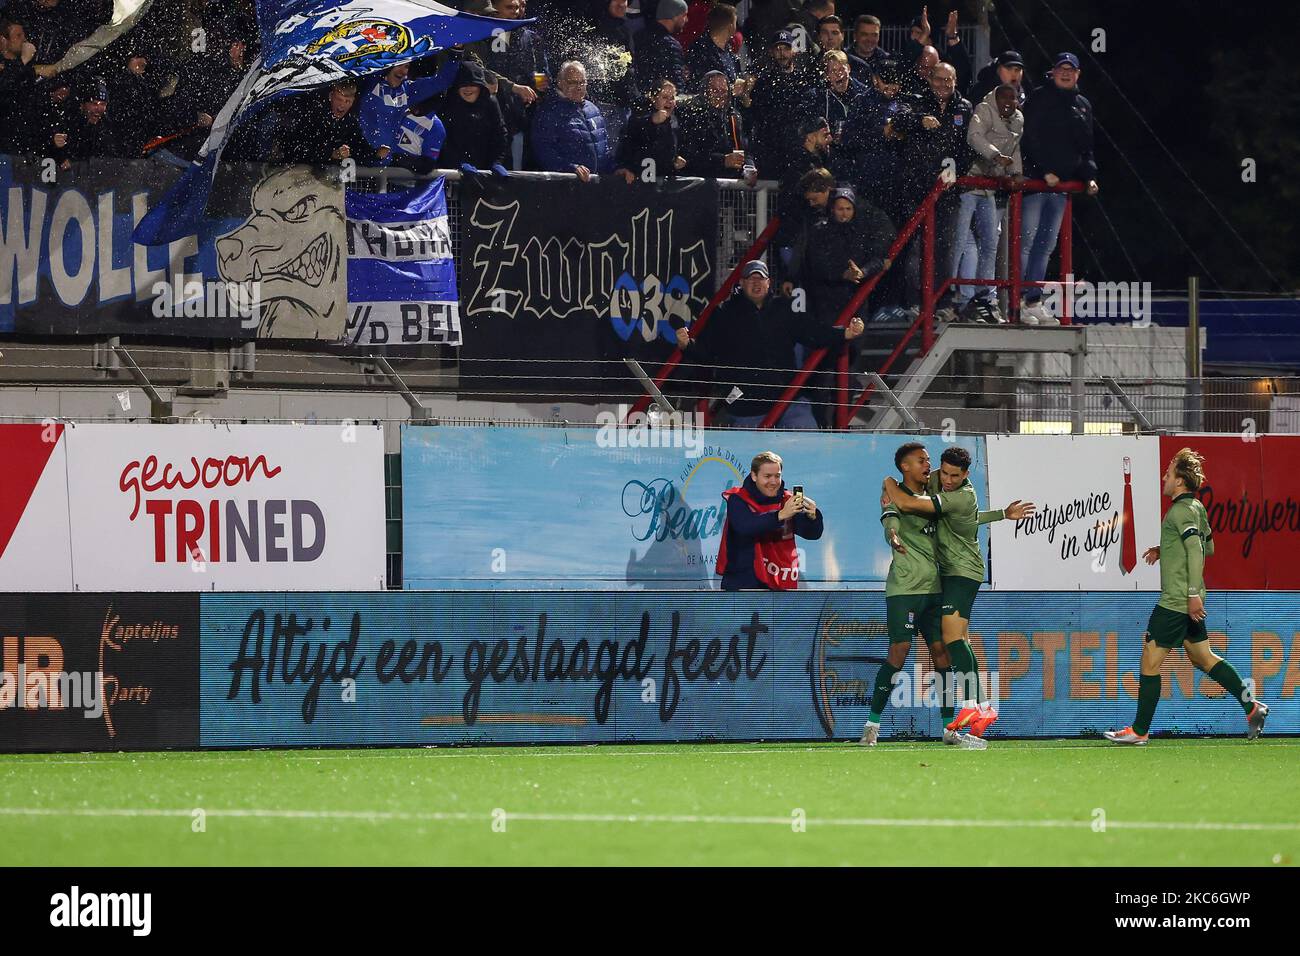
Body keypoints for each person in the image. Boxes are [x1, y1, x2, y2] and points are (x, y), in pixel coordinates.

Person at [1105, 449, 1270, 745]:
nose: (1164, 478)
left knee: (1149, 662)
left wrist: (1192, 594)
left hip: (1177, 601)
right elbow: (1209, 548)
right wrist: (1165, 549)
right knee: (1204, 658)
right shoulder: (1196, 508)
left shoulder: (1179, 511)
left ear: (1180, 481)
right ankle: (1252, 706)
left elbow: (1195, 550)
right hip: (1188, 599)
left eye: (1168, 474)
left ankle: (1139, 731)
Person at [882, 445, 1035, 739]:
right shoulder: (937, 479)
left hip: (963, 571)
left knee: (951, 635)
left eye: (956, 475)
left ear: (967, 474)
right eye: (946, 472)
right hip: (948, 571)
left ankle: (969, 705)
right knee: (961, 638)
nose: (948, 479)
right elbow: (971, 517)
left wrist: (888, 483)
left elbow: (910, 504)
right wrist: (1003, 513)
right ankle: (985, 706)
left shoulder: (962, 495)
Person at [862, 441, 975, 748]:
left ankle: (948, 729)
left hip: (934, 589)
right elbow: (891, 520)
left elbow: (969, 516)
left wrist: (1003, 514)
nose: (928, 465)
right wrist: (893, 537)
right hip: (905, 590)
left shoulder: (935, 497)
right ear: (905, 467)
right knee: (899, 650)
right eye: (921, 460)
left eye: (928, 460)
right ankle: (872, 724)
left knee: (942, 653)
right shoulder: (895, 496)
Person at [672, 259, 864, 428]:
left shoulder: (784, 308)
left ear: (769, 283)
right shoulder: (723, 313)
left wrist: (845, 333)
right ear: (741, 283)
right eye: (751, 279)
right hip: (746, 405)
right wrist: (687, 345)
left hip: (787, 399)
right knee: (749, 458)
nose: (756, 283)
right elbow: (707, 351)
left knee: (806, 436)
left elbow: (813, 332)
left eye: (761, 279)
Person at [1018, 52, 1099, 326]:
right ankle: (1017, 300)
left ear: (1078, 74)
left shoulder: (1083, 105)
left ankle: (1033, 300)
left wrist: (1089, 176)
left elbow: (1086, 147)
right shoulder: (1039, 97)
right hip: (1035, 183)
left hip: (1061, 188)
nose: (1066, 73)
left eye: (1071, 69)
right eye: (1061, 68)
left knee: (1045, 246)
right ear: (1052, 72)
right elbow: (1027, 138)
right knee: (1025, 242)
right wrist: (1043, 171)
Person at [894, 61, 970, 319]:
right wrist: (919, 120)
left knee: (945, 247)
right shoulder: (916, 101)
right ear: (930, 79)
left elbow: (968, 148)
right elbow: (898, 120)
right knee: (915, 246)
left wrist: (956, 171)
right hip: (915, 188)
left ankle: (943, 302)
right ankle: (914, 303)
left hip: (947, 191)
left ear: (955, 80)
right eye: (938, 79)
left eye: (948, 80)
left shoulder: (964, 107)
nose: (943, 84)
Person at [954, 83, 1023, 323]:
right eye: (1003, 97)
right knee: (961, 239)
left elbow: (1014, 150)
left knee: (990, 242)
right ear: (995, 98)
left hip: (990, 186)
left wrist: (1015, 173)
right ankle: (954, 296)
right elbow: (973, 137)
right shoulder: (983, 110)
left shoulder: (1018, 120)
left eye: (1012, 98)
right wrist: (995, 155)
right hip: (970, 180)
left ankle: (985, 296)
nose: (1007, 102)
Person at [716, 450, 823, 591]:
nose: (773, 482)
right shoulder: (737, 499)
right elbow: (745, 527)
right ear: (754, 476)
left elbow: (812, 534)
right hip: (742, 584)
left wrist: (813, 517)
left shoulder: (786, 500)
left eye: (777, 476)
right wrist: (780, 515)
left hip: (780, 583)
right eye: (767, 476)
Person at [532, 60, 614, 180]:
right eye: (573, 82)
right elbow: (543, 151)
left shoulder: (593, 109)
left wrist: (616, 168)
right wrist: (570, 168)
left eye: (582, 82)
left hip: (595, 186)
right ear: (560, 83)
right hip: (566, 186)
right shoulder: (549, 111)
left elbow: (603, 149)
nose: (579, 87)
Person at [279, 80, 385, 167]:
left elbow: (358, 146)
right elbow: (298, 147)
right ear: (330, 96)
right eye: (339, 99)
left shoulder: (349, 122)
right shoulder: (313, 114)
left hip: (324, 179)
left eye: (347, 101)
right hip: (293, 171)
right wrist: (331, 154)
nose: (342, 105)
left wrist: (376, 154)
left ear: (353, 101)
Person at [676, 69, 751, 179]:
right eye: (715, 91)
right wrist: (722, 160)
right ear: (705, 92)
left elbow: (746, 151)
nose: (720, 95)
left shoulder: (733, 115)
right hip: (701, 185)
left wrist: (749, 168)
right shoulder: (691, 113)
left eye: (724, 91)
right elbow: (687, 156)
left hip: (732, 187)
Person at [439, 61, 510, 169]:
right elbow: (442, 139)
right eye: (463, 85)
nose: (468, 89)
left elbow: (500, 134)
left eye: (472, 84)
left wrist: (497, 161)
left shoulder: (490, 103)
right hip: (452, 170)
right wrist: (456, 163)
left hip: (485, 169)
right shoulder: (448, 104)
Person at [614, 79, 685, 182]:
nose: (669, 101)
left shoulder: (673, 119)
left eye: (672, 97)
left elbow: (664, 150)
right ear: (653, 98)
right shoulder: (639, 114)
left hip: (661, 181)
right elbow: (634, 136)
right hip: (639, 180)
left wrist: (674, 159)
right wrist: (651, 121)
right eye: (664, 97)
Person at [634, 0, 689, 96]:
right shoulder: (670, 45)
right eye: (684, 15)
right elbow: (675, 84)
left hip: (642, 98)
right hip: (661, 102)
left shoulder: (637, 36)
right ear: (675, 16)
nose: (687, 20)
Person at [849, 14, 890, 83]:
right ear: (855, 36)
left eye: (874, 35)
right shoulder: (844, 59)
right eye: (864, 34)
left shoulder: (887, 60)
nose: (870, 39)